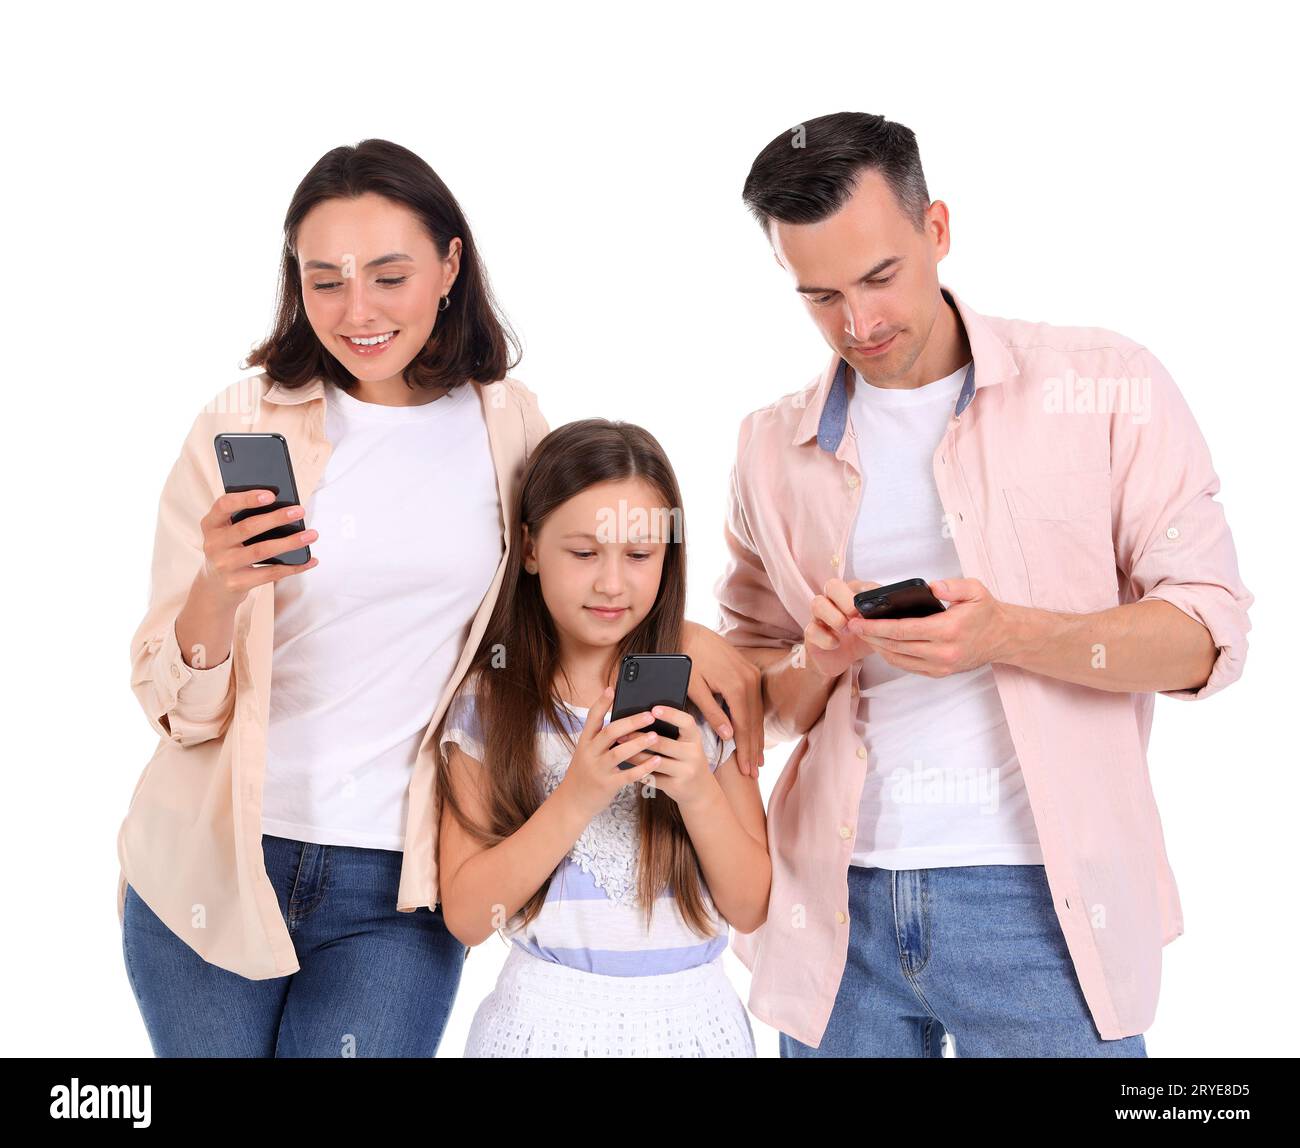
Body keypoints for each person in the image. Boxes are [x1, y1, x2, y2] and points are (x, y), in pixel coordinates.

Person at [118, 138, 760, 1058]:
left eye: (390, 274)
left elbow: (570, 571)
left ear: (451, 264)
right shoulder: (241, 421)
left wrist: (679, 625)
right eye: (323, 279)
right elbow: (174, 711)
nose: (358, 311)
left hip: (401, 880)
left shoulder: (507, 424)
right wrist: (218, 590)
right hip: (217, 860)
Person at [713, 111, 1253, 1057]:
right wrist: (821, 656)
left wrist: (1010, 633)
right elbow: (759, 702)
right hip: (835, 914)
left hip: (1044, 908)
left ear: (938, 231)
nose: (861, 324)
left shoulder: (1106, 384)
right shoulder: (770, 447)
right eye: (821, 296)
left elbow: (1208, 636)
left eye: (880, 277)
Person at [436, 419, 770, 1057]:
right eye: (584, 553)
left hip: (695, 1027)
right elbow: (469, 918)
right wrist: (577, 795)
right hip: (541, 1028)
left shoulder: (704, 702)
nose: (612, 583)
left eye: (639, 555)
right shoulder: (490, 703)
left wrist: (698, 791)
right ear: (531, 549)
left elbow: (750, 906)